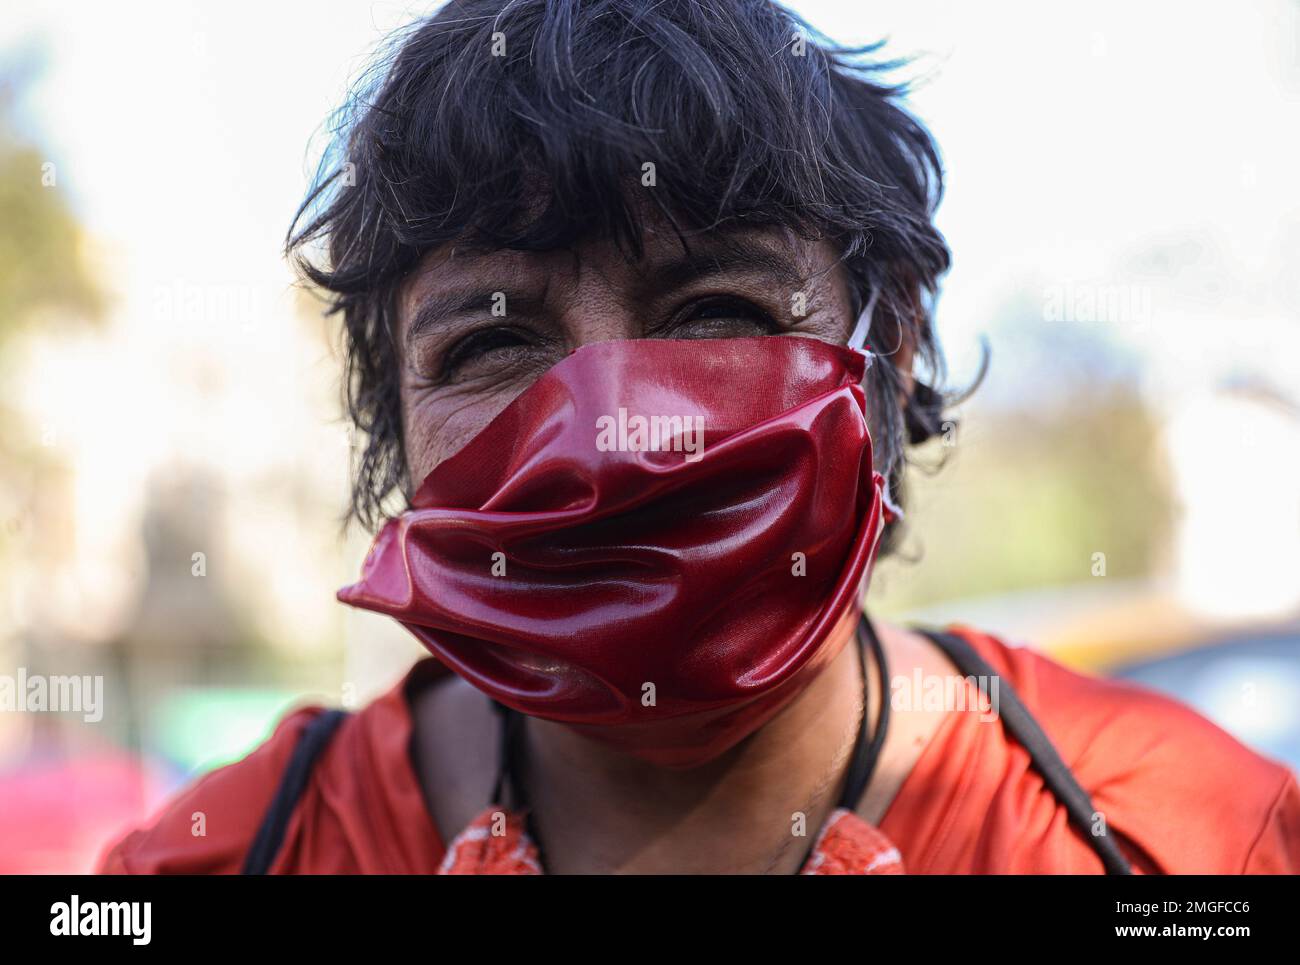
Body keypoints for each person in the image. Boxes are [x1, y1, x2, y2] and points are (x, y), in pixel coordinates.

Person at [99, 0, 1298, 875]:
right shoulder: (225, 859)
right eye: (492, 345)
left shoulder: (1185, 846)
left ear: (895, 350)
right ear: (391, 419)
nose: (611, 422)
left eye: (718, 313)